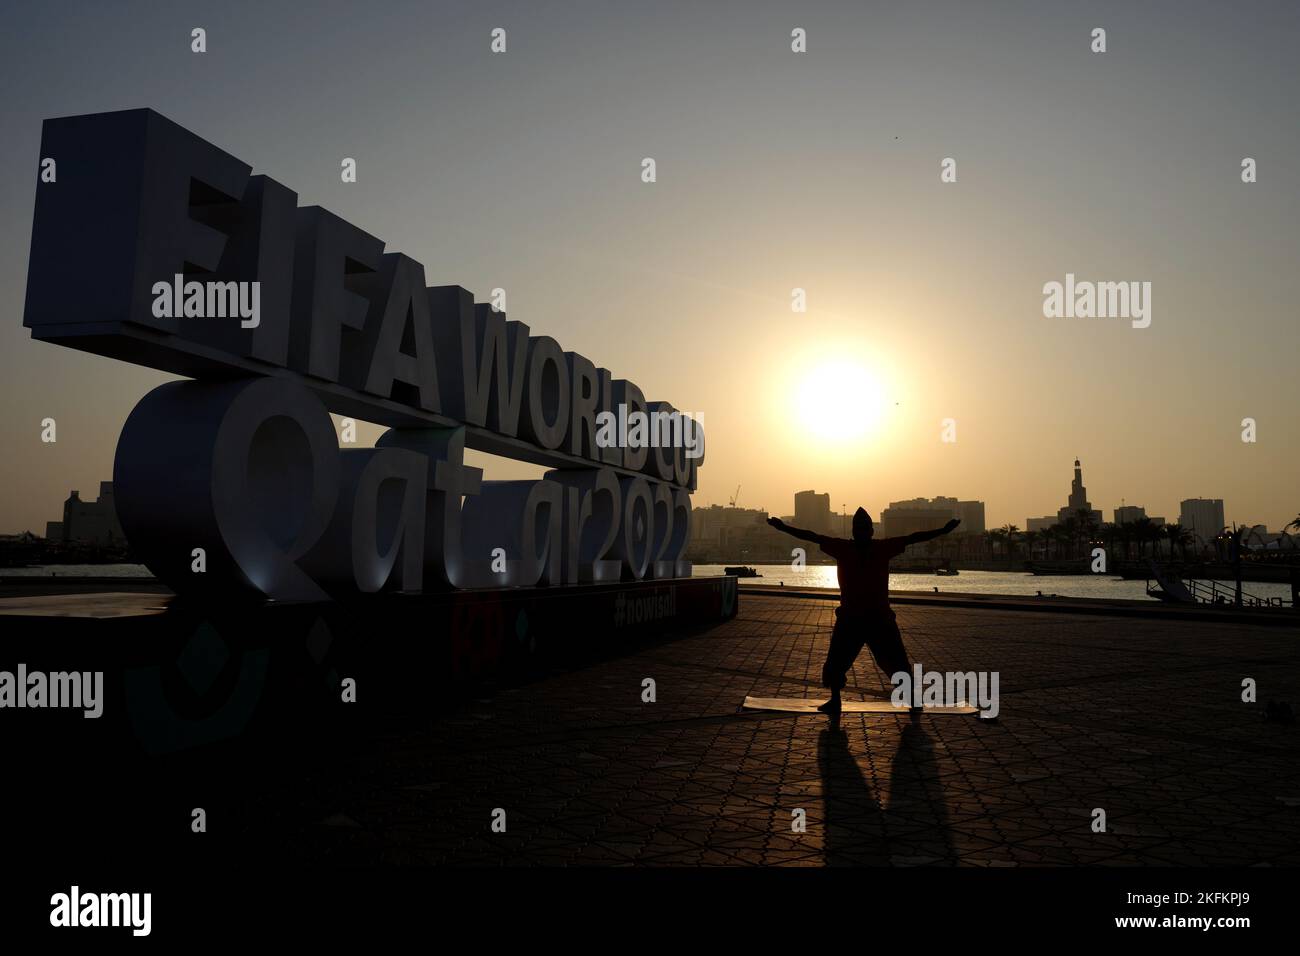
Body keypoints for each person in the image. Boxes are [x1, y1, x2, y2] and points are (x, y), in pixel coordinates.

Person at [768, 508, 960, 714]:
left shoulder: (873, 548)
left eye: (864, 528)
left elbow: (913, 538)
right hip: (857, 618)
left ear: (870, 531)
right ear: (856, 531)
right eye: (858, 528)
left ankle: (912, 699)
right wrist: (784, 528)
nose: (861, 532)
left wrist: (942, 531)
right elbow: (811, 536)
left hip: (875, 618)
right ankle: (836, 700)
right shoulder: (851, 547)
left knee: (895, 661)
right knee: (837, 662)